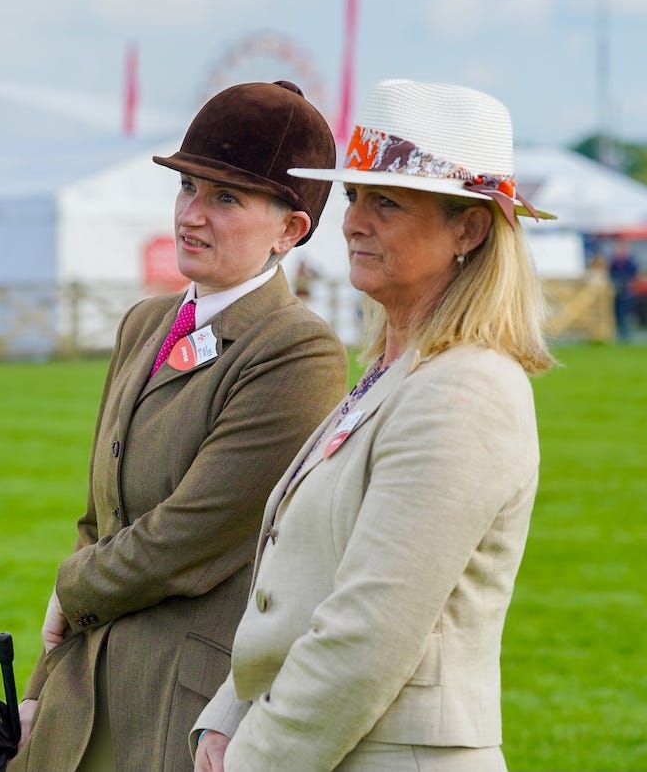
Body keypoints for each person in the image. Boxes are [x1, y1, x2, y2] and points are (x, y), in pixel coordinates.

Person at [192, 79, 557, 772]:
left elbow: (369, 633)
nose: (351, 222)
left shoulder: (465, 388)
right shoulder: (397, 373)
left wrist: (251, 760)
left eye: (385, 202)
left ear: (469, 228)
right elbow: (303, 586)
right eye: (354, 197)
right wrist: (226, 716)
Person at [8, 81, 349, 772]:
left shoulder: (297, 350)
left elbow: (187, 537)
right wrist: (42, 689)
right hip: (79, 694)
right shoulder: (144, 324)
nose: (191, 214)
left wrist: (70, 587)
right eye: (187, 186)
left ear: (291, 229)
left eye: (225, 197)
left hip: (176, 709)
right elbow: (97, 518)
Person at [608, 240, 639, 341]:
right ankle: (620, 333)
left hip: (626, 292)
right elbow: (610, 275)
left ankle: (625, 334)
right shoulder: (614, 262)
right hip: (616, 291)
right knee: (617, 314)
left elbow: (633, 275)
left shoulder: (630, 262)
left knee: (625, 314)